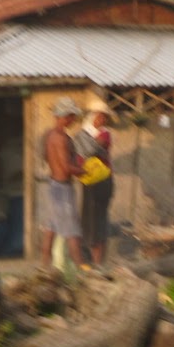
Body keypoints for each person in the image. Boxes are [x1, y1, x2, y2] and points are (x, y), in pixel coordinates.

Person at [40, 96, 86, 268]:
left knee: (50, 229)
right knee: (72, 231)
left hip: (54, 186)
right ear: (66, 116)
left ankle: (44, 267)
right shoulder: (60, 138)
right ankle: (81, 268)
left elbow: (50, 159)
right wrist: (85, 171)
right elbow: (66, 167)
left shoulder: (50, 135)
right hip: (62, 189)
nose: (74, 120)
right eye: (73, 116)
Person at [75, 97, 115, 265]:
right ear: (92, 117)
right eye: (99, 116)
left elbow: (90, 150)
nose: (102, 120)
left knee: (98, 220)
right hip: (88, 182)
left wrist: (87, 147)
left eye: (104, 117)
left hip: (101, 181)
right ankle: (90, 260)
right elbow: (87, 150)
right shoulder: (83, 134)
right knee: (89, 219)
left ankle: (98, 262)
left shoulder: (104, 134)